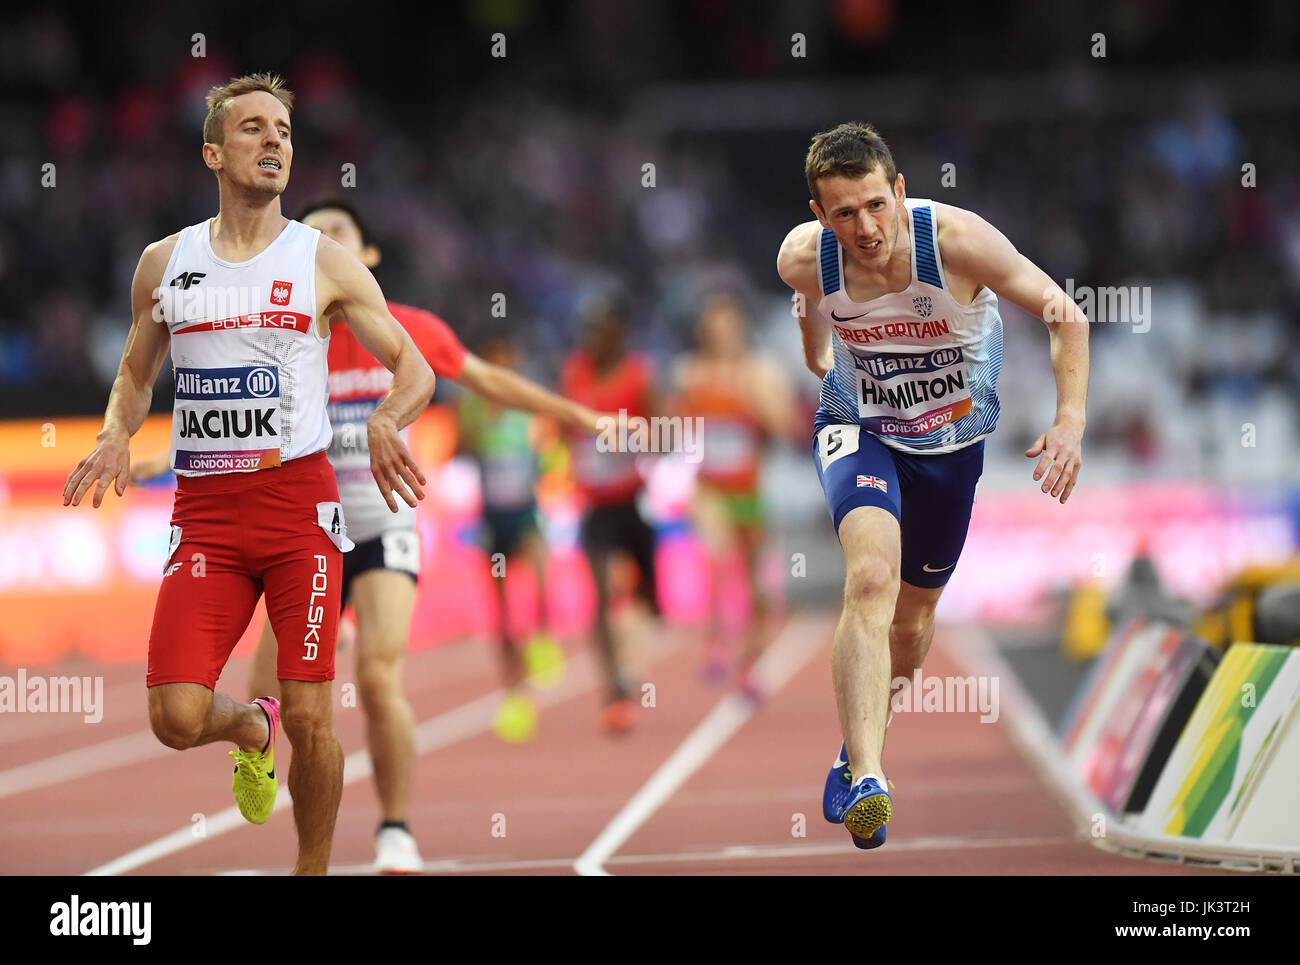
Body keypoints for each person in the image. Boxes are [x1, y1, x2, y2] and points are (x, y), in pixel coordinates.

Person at [62, 74, 437, 876]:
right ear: (213, 152)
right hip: (207, 519)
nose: (274, 142)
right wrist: (113, 433)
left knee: (312, 711)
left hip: (299, 511)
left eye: (284, 132)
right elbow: (135, 372)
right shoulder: (166, 263)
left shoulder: (322, 259)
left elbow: (414, 366)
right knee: (174, 714)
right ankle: (248, 729)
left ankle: (312, 869)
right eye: (253, 129)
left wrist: (382, 420)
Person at [232, 199, 603, 873]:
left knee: (377, 676)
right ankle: (255, 739)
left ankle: (396, 829)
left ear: (365, 257)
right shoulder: (279, 336)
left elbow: (488, 380)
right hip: (308, 536)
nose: (322, 243)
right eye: (309, 237)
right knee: (274, 695)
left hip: (382, 525)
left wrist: (577, 412)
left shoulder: (406, 329)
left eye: (337, 234)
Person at [776, 122, 1088, 849]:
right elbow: (806, 296)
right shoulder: (804, 256)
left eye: (876, 205)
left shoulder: (955, 243)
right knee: (871, 576)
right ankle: (872, 779)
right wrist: (815, 350)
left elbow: (1063, 315)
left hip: (951, 447)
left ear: (901, 193)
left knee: (912, 624)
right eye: (844, 214)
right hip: (862, 429)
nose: (866, 228)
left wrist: (1069, 421)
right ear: (820, 217)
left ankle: (854, 749)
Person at [672, 291, 799, 698]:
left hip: (752, 491)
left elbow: (789, 428)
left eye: (728, 328)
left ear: (740, 329)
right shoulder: (689, 373)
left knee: (757, 586)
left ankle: (751, 661)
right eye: (713, 329)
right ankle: (715, 644)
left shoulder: (761, 372)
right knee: (717, 559)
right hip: (710, 489)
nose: (721, 335)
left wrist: (754, 402)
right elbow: (673, 428)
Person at [458, 333, 566, 744]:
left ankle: (543, 639)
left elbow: (549, 454)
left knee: (540, 579)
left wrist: (542, 456)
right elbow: (460, 449)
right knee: (502, 613)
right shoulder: (472, 407)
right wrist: (480, 427)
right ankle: (514, 691)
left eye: (509, 361)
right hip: (492, 518)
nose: (503, 368)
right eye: (495, 361)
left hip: (525, 513)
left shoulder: (527, 405)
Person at [561, 290, 661, 734]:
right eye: (589, 330)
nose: (593, 337)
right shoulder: (575, 372)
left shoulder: (639, 375)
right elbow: (566, 426)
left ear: (619, 332)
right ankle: (613, 688)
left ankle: (632, 664)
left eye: (602, 329)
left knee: (644, 600)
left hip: (631, 500)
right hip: (595, 506)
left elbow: (662, 435)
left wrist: (632, 438)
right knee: (600, 597)